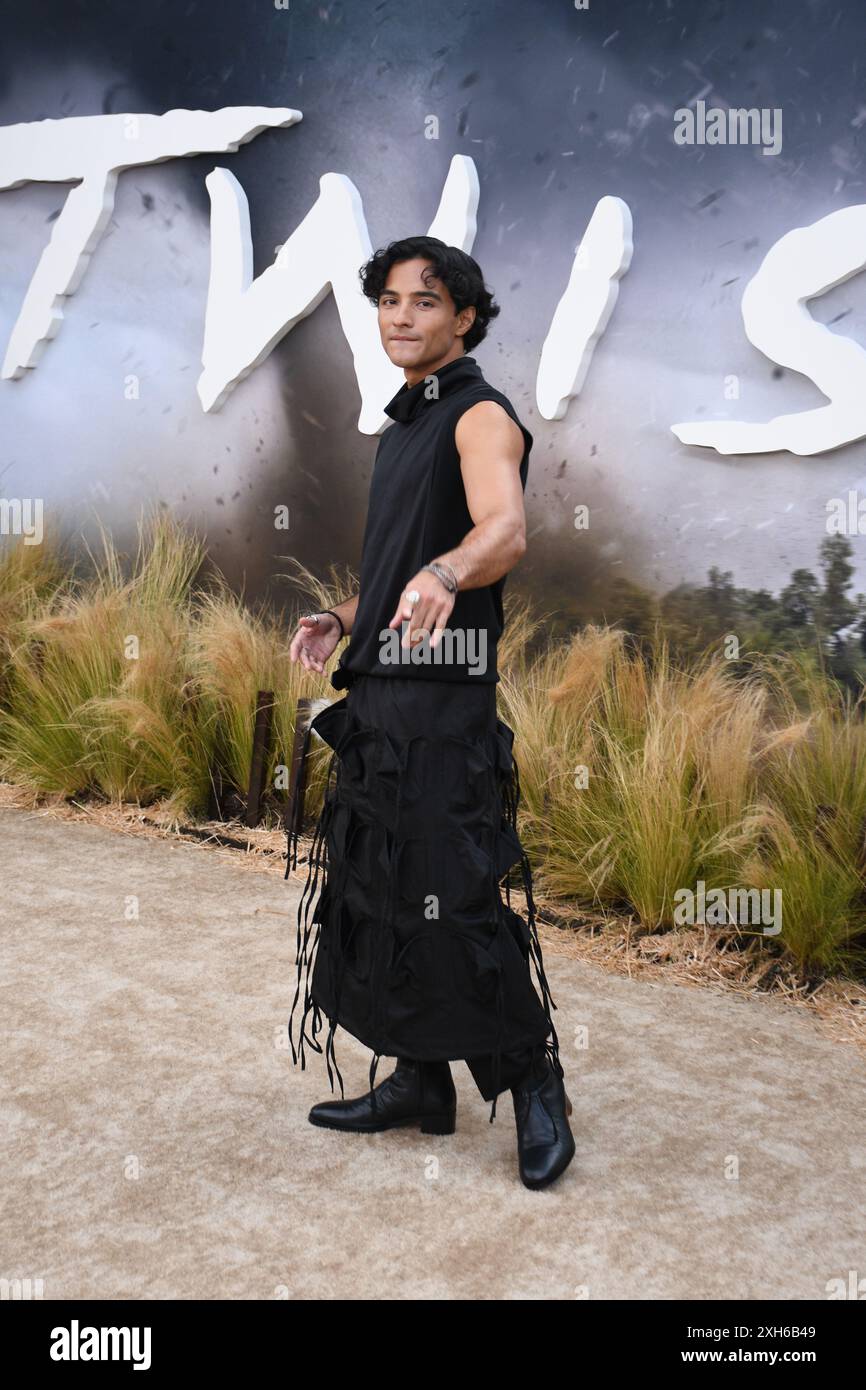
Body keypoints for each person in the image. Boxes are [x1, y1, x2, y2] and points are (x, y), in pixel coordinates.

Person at [286, 235, 574, 1190]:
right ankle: (419, 1081)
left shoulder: (480, 416)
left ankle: (534, 1082)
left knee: (454, 898)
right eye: (390, 301)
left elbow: (505, 531)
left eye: (424, 301)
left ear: (465, 317)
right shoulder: (403, 425)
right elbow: (397, 570)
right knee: (380, 892)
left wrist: (451, 570)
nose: (402, 316)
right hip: (382, 699)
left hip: (446, 706)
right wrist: (344, 617)